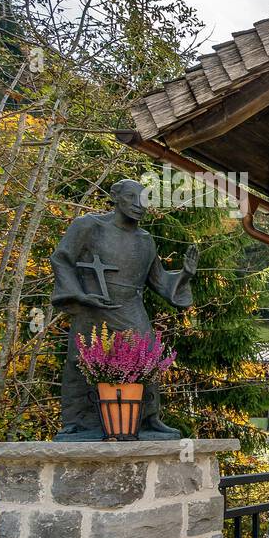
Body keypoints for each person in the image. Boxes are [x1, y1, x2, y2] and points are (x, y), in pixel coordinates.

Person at [51, 178, 197, 440]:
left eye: (143, 200)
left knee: (147, 358)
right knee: (80, 360)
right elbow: (62, 259)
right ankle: (76, 423)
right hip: (91, 305)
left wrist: (185, 275)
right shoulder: (88, 226)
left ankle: (148, 419)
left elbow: (159, 280)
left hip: (130, 306)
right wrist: (80, 296)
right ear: (115, 197)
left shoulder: (145, 240)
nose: (138, 205)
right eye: (131, 198)